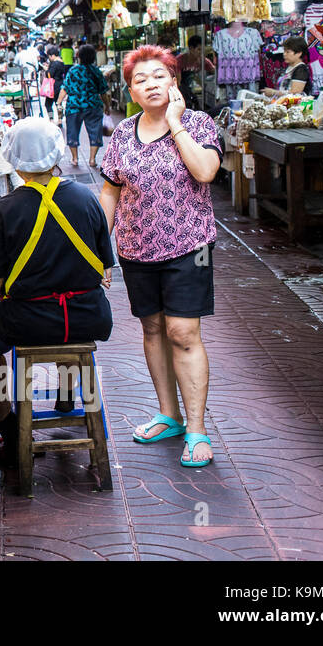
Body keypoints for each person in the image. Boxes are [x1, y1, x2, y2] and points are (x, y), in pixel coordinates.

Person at [99, 46, 222, 467]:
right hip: (136, 248)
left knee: (183, 333)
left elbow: (205, 171)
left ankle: (197, 428)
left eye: (159, 76)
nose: (151, 84)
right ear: (130, 91)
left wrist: (175, 125)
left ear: (174, 82)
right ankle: (169, 415)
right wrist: (101, 250)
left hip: (190, 246)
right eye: (140, 80)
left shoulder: (199, 123)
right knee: (153, 329)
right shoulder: (121, 134)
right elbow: (111, 189)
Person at [0, 117, 116, 466]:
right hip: (88, 318)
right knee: (62, 316)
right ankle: (67, 392)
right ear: (55, 155)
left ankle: (11, 434)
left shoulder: (3, 209)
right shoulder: (86, 197)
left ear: (14, 161)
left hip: (28, 321)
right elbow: (105, 269)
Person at [55, 44, 111, 166]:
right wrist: (107, 106)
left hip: (74, 106)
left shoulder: (73, 71)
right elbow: (103, 91)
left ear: (78, 56)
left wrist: (58, 102)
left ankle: (75, 159)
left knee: (72, 132)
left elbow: (64, 88)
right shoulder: (96, 71)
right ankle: (92, 160)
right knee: (95, 132)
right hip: (93, 106)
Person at [41, 44, 68, 120]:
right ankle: (60, 120)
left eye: (49, 56)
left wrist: (46, 70)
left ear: (52, 55)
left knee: (48, 104)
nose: (49, 58)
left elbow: (50, 75)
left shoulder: (54, 64)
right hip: (60, 84)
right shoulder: (62, 62)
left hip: (53, 86)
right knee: (58, 103)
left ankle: (51, 119)